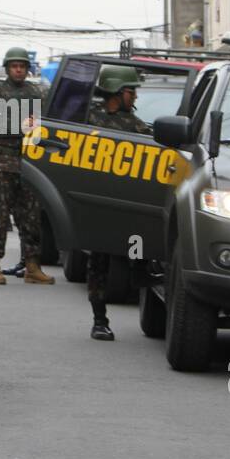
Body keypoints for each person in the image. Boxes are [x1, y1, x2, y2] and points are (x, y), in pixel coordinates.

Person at [85, 66, 152, 340]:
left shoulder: (135, 124)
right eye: (131, 90)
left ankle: (145, 293)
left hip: (128, 203)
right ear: (116, 91)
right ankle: (99, 320)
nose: (135, 96)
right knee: (98, 262)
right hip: (99, 201)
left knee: (139, 254)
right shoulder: (89, 119)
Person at [0, 47, 53, 286]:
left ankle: (32, 266)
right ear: (7, 68)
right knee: (0, 218)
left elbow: (47, 126)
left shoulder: (37, 94)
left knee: (31, 216)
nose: (19, 70)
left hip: (29, 162)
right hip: (2, 160)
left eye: (22, 66)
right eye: (14, 66)